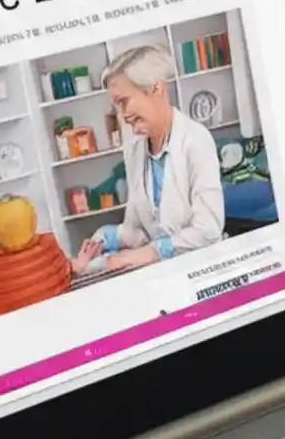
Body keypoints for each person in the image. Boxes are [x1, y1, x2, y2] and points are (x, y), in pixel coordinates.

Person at [77, 45, 224, 272]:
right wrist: (106, 238)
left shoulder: (195, 141)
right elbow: (139, 231)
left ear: (156, 88)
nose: (122, 115)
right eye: (116, 105)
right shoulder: (136, 151)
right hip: (161, 273)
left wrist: (150, 253)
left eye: (124, 101)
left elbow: (209, 229)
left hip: (202, 269)